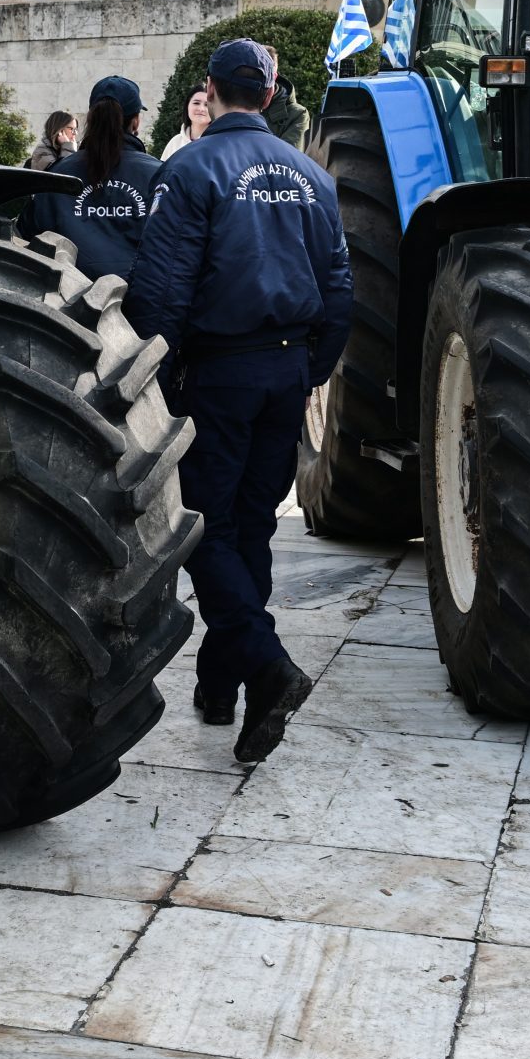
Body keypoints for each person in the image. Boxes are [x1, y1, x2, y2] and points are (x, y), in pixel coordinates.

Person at [126, 40, 352, 763]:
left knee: (207, 531)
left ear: (212, 90)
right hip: (286, 370)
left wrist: (154, 388)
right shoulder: (313, 176)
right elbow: (340, 286)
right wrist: (311, 367)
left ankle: (265, 663)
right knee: (249, 529)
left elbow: (160, 294)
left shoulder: (189, 168)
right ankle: (225, 688)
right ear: (272, 91)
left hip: (221, 374)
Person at [23, 74, 161, 279]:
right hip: (141, 301)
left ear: (91, 118)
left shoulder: (58, 174)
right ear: (136, 121)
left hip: (65, 301)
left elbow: (28, 235)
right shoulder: (159, 175)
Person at [160, 86, 212, 159]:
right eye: (196, 103)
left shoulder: (219, 143)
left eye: (207, 105)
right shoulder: (175, 142)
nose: (201, 109)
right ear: (187, 106)